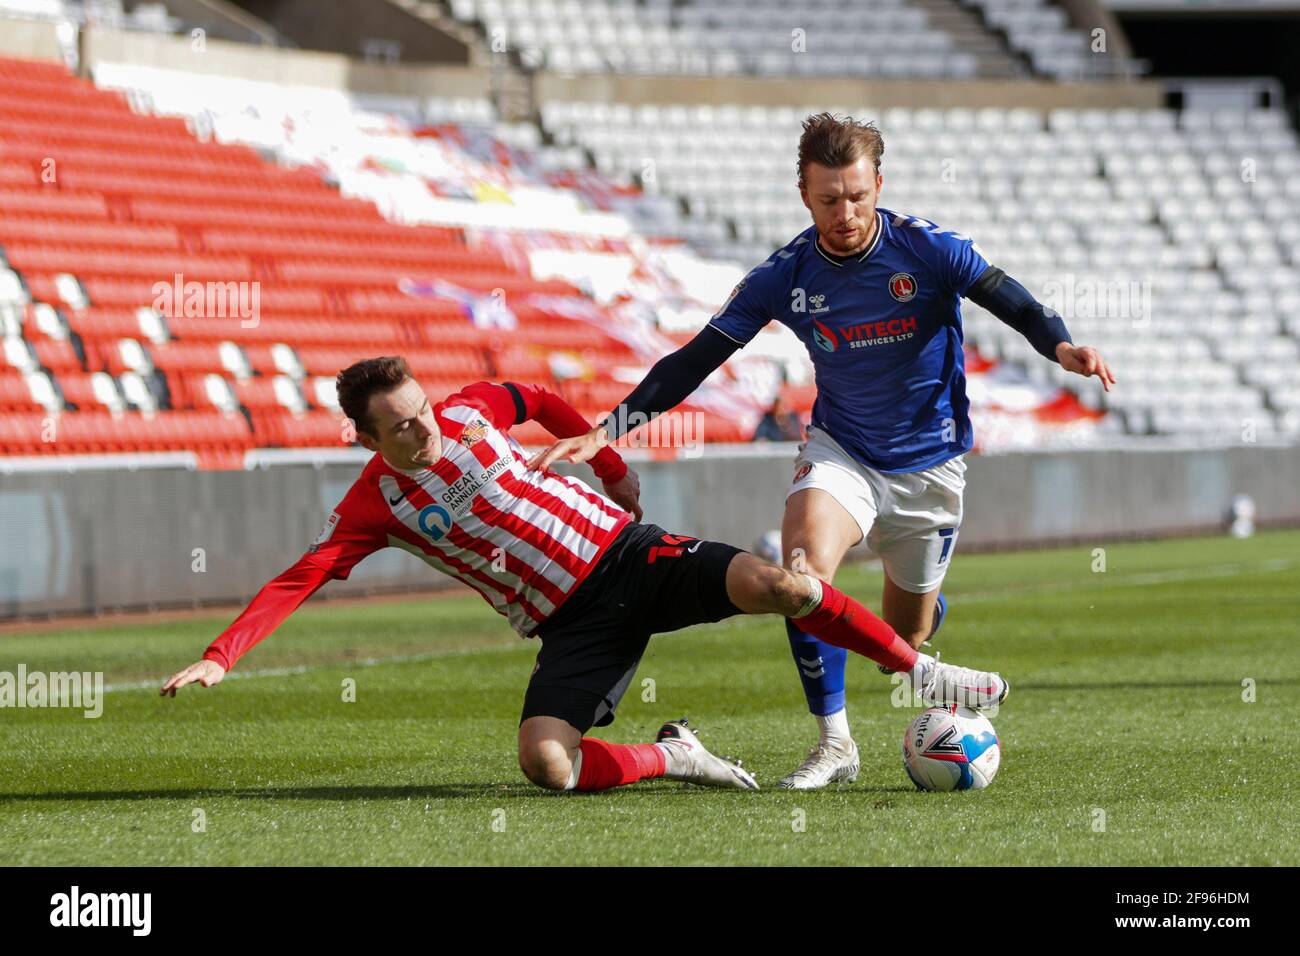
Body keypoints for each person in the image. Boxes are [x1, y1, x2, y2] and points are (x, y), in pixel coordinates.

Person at [529, 111, 1112, 790]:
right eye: (830, 199)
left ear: (878, 185)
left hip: (932, 467)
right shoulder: (785, 275)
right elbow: (698, 358)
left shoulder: (926, 248)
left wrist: (1060, 344)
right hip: (843, 453)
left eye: (858, 196)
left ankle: (921, 627)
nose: (846, 213)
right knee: (803, 575)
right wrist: (612, 426)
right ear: (805, 196)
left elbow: (1009, 298)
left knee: (905, 640)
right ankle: (835, 743)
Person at [161, 356, 1009, 794]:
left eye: (421, 414)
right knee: (547, 767)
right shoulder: (372, 505)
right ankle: (677, 758)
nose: (425, 434)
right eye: (403, 430)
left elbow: (532, 397)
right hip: (573, 625)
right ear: (367, 440)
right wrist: (220, 655)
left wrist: (606, 461)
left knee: (782, 583)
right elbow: (300, 576)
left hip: (629, 553)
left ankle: (921, 670)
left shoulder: (468, 408)